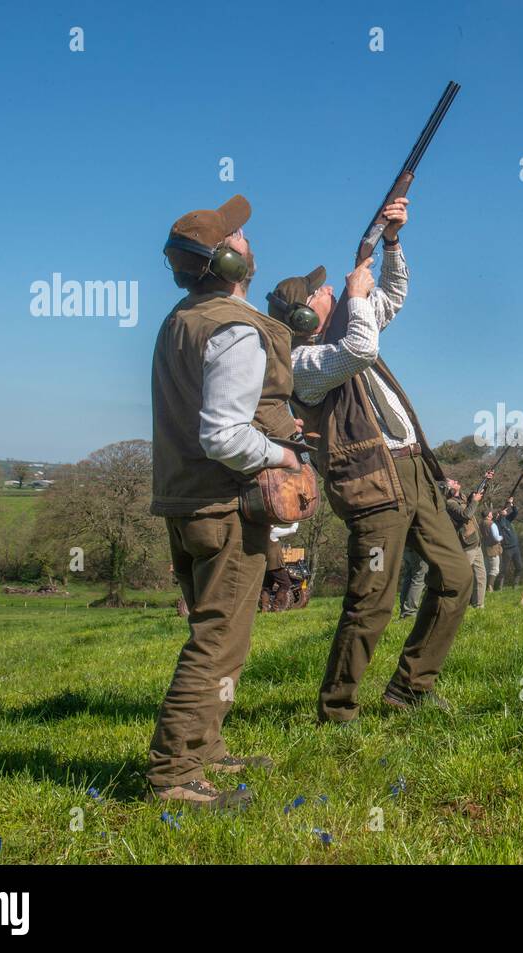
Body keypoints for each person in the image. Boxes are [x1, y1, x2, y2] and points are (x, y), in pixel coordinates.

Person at [288, 197, 473, 721]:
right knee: (373, 601)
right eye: (318, 291)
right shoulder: (304, 362)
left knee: (457, 577)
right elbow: (362, 349)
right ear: (304, 315)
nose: (328, 289)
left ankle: (410, 689)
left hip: (414, 471)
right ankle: (337, 709)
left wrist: (390, 242)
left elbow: (391, 295)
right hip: (373, 486)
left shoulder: (347, 331)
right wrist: (356, 296)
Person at [148, 194, 299, 809]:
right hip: (224, 507)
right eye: (239, 239)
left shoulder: (180, 320)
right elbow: (224, 434)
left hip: (185, 505)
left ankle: (206, 747)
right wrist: (284, 457)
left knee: (223, 634)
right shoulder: (234, 329)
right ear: (230, 265)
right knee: (217, 638)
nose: (249, 242)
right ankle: (173, 774)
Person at [442, 473, 493, 609]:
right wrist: (475, 500)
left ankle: (478, 605)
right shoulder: (450, 503)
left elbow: (477, 493)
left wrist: (485, 480)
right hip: (466, 544)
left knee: (481, 576)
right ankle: (454, 604)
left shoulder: (462, 497)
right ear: (448, 488)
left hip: (475, 542)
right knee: (462, 577)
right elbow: (466, 515)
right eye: (453, 481)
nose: (456, 480)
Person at [496, 498, 522, 590]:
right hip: (507, 548)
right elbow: (502, 526)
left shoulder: (507, 519)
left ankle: (515, 585)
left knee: (519, 566)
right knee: (504, 569)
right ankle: (499, 587)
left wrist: (511, 504)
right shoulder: (497, 523)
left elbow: (515, 513)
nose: (506, 512)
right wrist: (502, 516)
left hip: (515, 547)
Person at [398, 546, 427, 619]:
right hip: (419, 546)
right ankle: (409, 613)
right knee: (419, 578)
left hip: (407, 544)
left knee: (409, 576)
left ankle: (404, 611)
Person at [481, 510, 502, 591]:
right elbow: (496, 537)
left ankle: (484, 587)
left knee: (486, 569)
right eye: (490, 515)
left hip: (485, 549)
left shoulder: (481, 523)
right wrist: (502, 537)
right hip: (493, 549)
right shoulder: (492, 524)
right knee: (495, 569)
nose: (492, 516)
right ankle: (490, 586)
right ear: (487, 516)